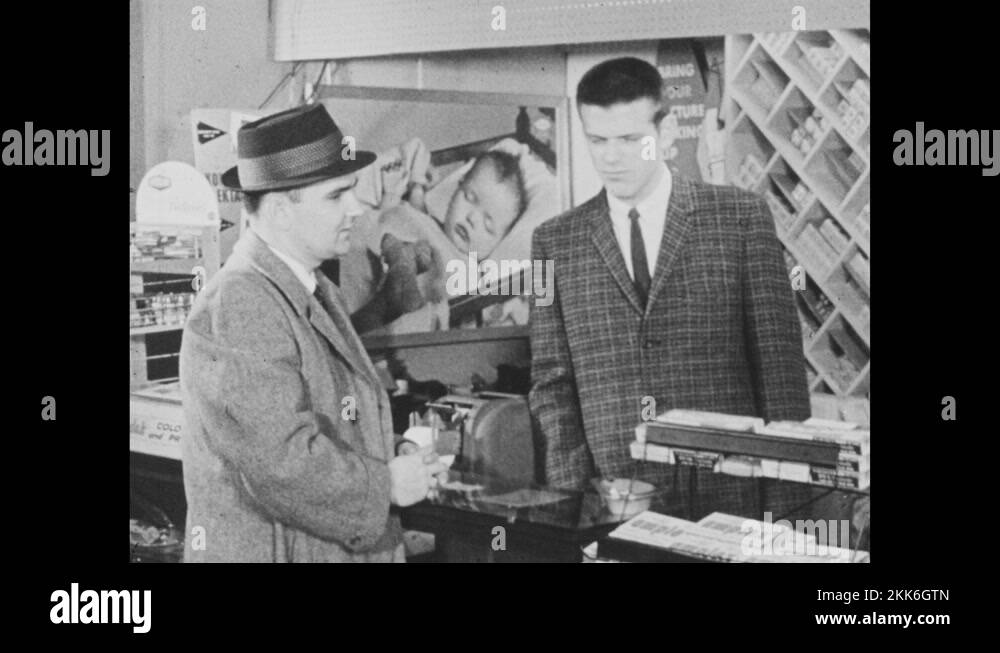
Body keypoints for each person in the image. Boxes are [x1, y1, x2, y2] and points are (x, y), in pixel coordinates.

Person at [529, 57, 812, 518]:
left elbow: (780, 375)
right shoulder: (551, 242)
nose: (611, 157)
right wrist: (572, 501)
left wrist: (786, 513)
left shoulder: (741, 219)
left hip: (731, 497)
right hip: (617, 503)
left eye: (629, 140)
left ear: (665, 132)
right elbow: (550, 382)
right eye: (597, 140)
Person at [180, 103, 447, 562]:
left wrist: (391, 455)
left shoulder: (311, 285)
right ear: (282, 211)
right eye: (336, 195)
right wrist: (386, 484)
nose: (357, 207)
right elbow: (282, 463)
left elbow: (330, 420)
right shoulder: (242, 301)